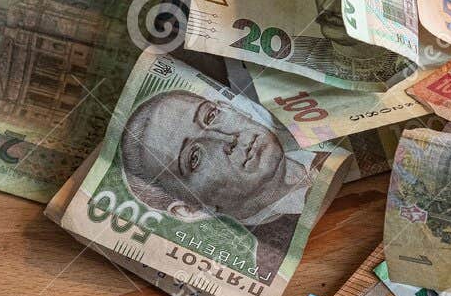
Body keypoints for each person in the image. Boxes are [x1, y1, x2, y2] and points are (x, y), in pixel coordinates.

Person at [117, 90, 320, 275]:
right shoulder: (274, 265)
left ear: (228, 107)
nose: (228, 140)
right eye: (194, 158)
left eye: (210, 116)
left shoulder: (319, 138)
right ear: (190, 208)